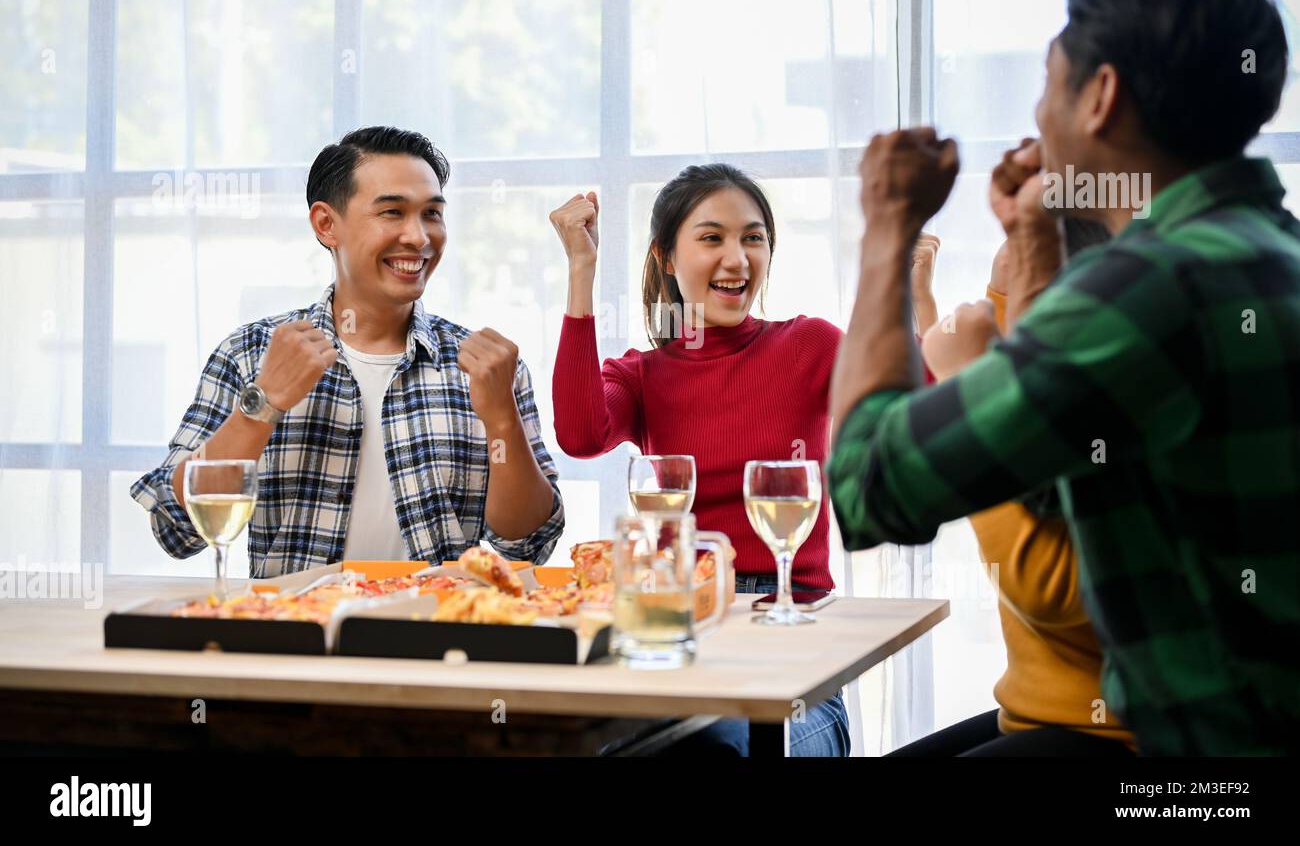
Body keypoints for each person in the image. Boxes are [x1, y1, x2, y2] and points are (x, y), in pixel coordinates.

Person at [827, 0, 1300, 755]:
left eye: (1049, 83)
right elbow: (1061, 473)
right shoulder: (1269, 252)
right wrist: (1036, 236)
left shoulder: (1150, 285)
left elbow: (871, 486)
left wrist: (886, 228)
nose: (1038, 116)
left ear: (1102, 96)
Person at [131, 126, 565, 577]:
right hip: (296, 638)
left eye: (432, 214)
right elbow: (175, 526)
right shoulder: (251, 353)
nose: (418, 237)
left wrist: (501, 419)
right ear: (326, 224)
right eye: (392, 212)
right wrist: (263, 404)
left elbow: (527, 544)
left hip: (440, 635)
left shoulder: (485, 365)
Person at [549, 164, 850, 756]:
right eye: (712, 238)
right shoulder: (640, 374)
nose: (736, 259)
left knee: (717, 748)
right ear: (666, 257)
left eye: (753, 237)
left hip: (792, 645)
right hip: (679, 632)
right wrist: (581, 272)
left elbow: (913, 398)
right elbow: (581, 435)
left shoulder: (810, 345)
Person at [893, 214, 1133, 756]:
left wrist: (969, 380)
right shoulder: (1070, 381)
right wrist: (929, 310)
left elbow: (1051, 590)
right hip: (1045, 716)